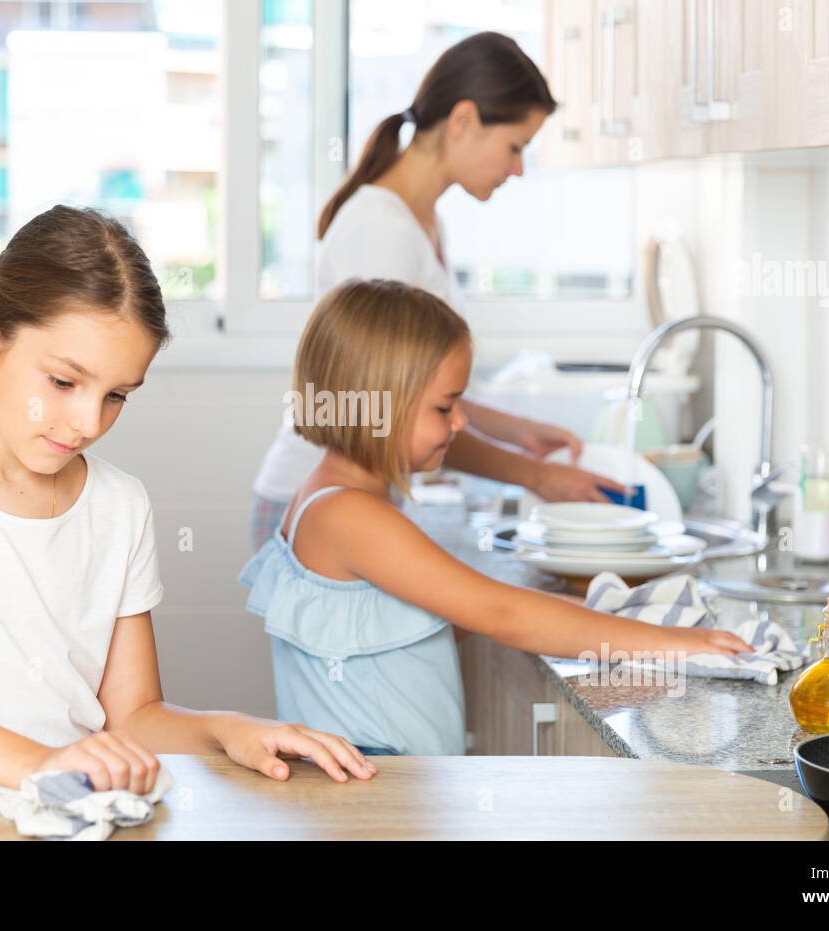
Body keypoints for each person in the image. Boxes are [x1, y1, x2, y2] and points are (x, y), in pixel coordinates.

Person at [0, 205, 376, 791]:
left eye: (117, 395)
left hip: (61, 816)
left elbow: (134, 718)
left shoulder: (119, 506)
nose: (86, 422)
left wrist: (228, 729)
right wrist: (35, 764)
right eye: (64, 382)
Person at [239, 280, 751, 756]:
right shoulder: (349, 514)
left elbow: (410, 621)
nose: (460, 423)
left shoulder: (329, 498)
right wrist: (672, 644)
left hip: (384, 788)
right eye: (445, 408)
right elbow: (498, 614)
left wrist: (577, 611)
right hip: (376, 794)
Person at [250, 31, 621, 550]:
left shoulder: (422, 223)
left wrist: (516, 431)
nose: (518, 169)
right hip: (314, 504)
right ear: (464, 120)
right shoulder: (380, 231)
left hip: (356, 506)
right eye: (516, 147)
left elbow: (420, 391)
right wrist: (535, 476)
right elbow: (391, 411)